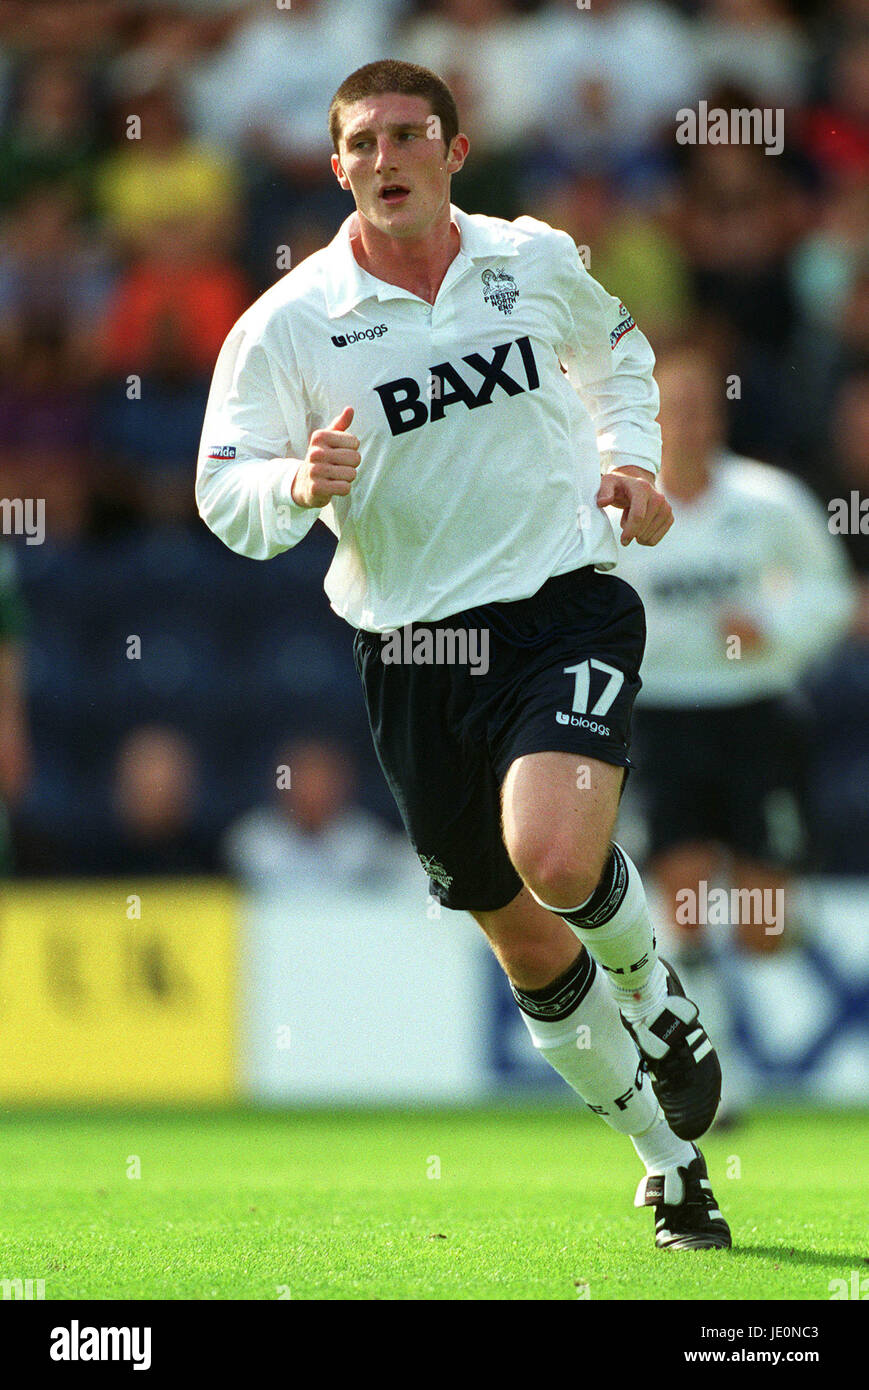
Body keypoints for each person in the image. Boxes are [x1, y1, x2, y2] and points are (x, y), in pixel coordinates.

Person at [196, 60, 729, 1251]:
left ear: (453, 148)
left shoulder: (529, 258)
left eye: (405, 135)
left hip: (560, 603)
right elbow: (221, 493)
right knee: (525, 942)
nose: (384, 159)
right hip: (414, 651)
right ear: (335, 166)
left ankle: (656, 999)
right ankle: (666, 1157)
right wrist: (296, 480)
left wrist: (632, 464)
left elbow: (620, 361)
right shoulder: (289, 323)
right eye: (360, 144)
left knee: (552, 853)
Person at [616, 342, 856, 1116]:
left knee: (760, 925)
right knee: (681, 902)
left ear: (716, 413)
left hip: (755, 712)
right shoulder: (617, 512)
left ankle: (792, 917)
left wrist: (772, 627)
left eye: (697, 405)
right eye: (670, 406)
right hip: (662, 718)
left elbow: (827, 592)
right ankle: (718, 1084)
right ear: (649, 417)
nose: (685, 420)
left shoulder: (766, 501)